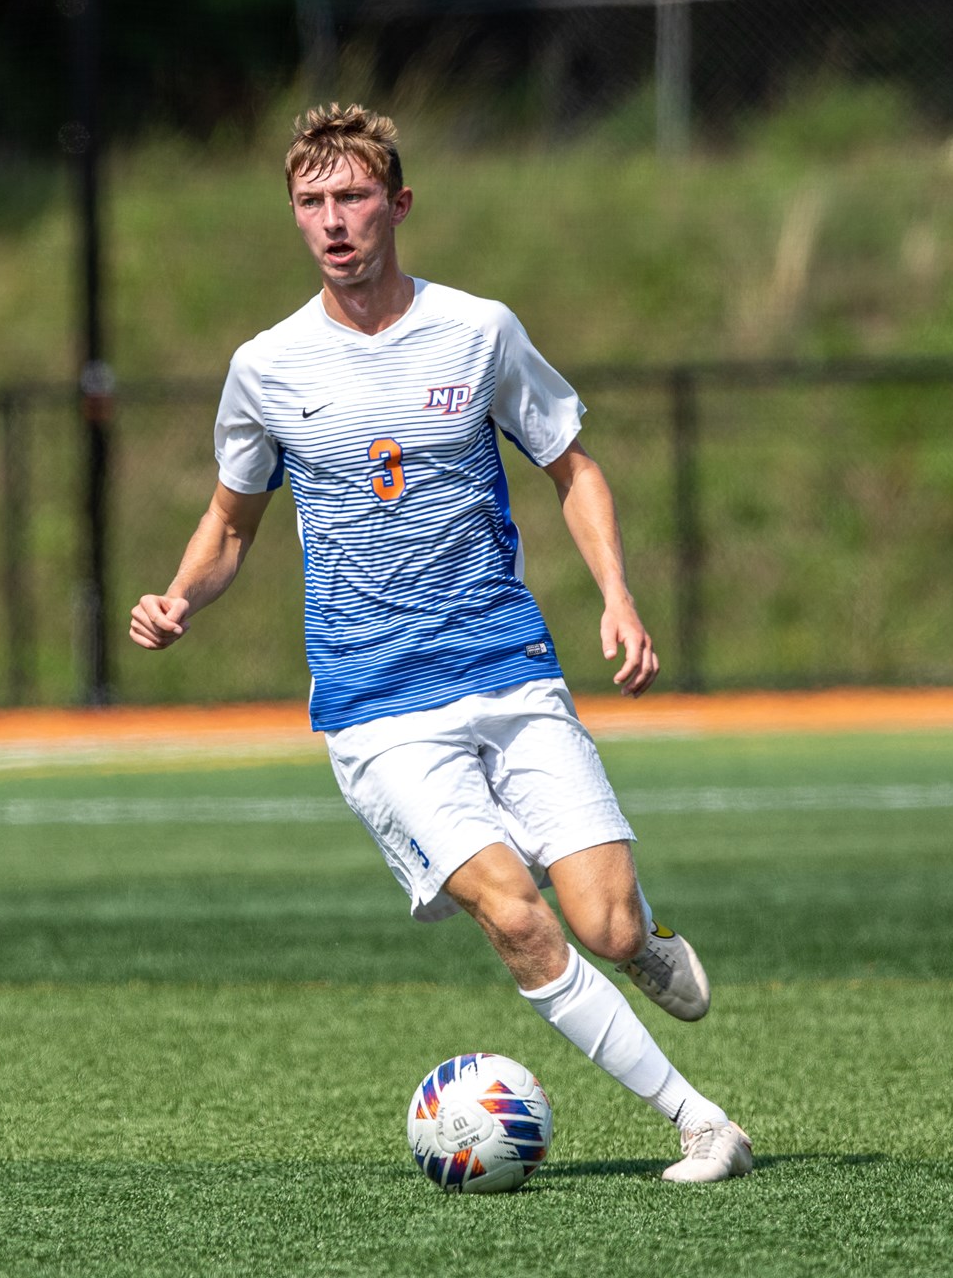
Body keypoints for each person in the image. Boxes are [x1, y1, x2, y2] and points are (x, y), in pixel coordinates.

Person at [129, 103, 751, 1184]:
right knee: (514, 912)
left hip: (508, 669)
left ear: (398, 204)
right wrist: (181, 594)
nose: (334, 221)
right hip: (377, 707)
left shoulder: (478, 331)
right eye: (313, 201)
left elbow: (575, 467)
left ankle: (642, 942)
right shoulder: (267, 365)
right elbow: (230, 523)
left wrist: (617, 594)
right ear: (294, 215)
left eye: (353, 196)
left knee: (602, 923)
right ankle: (702, 1120)